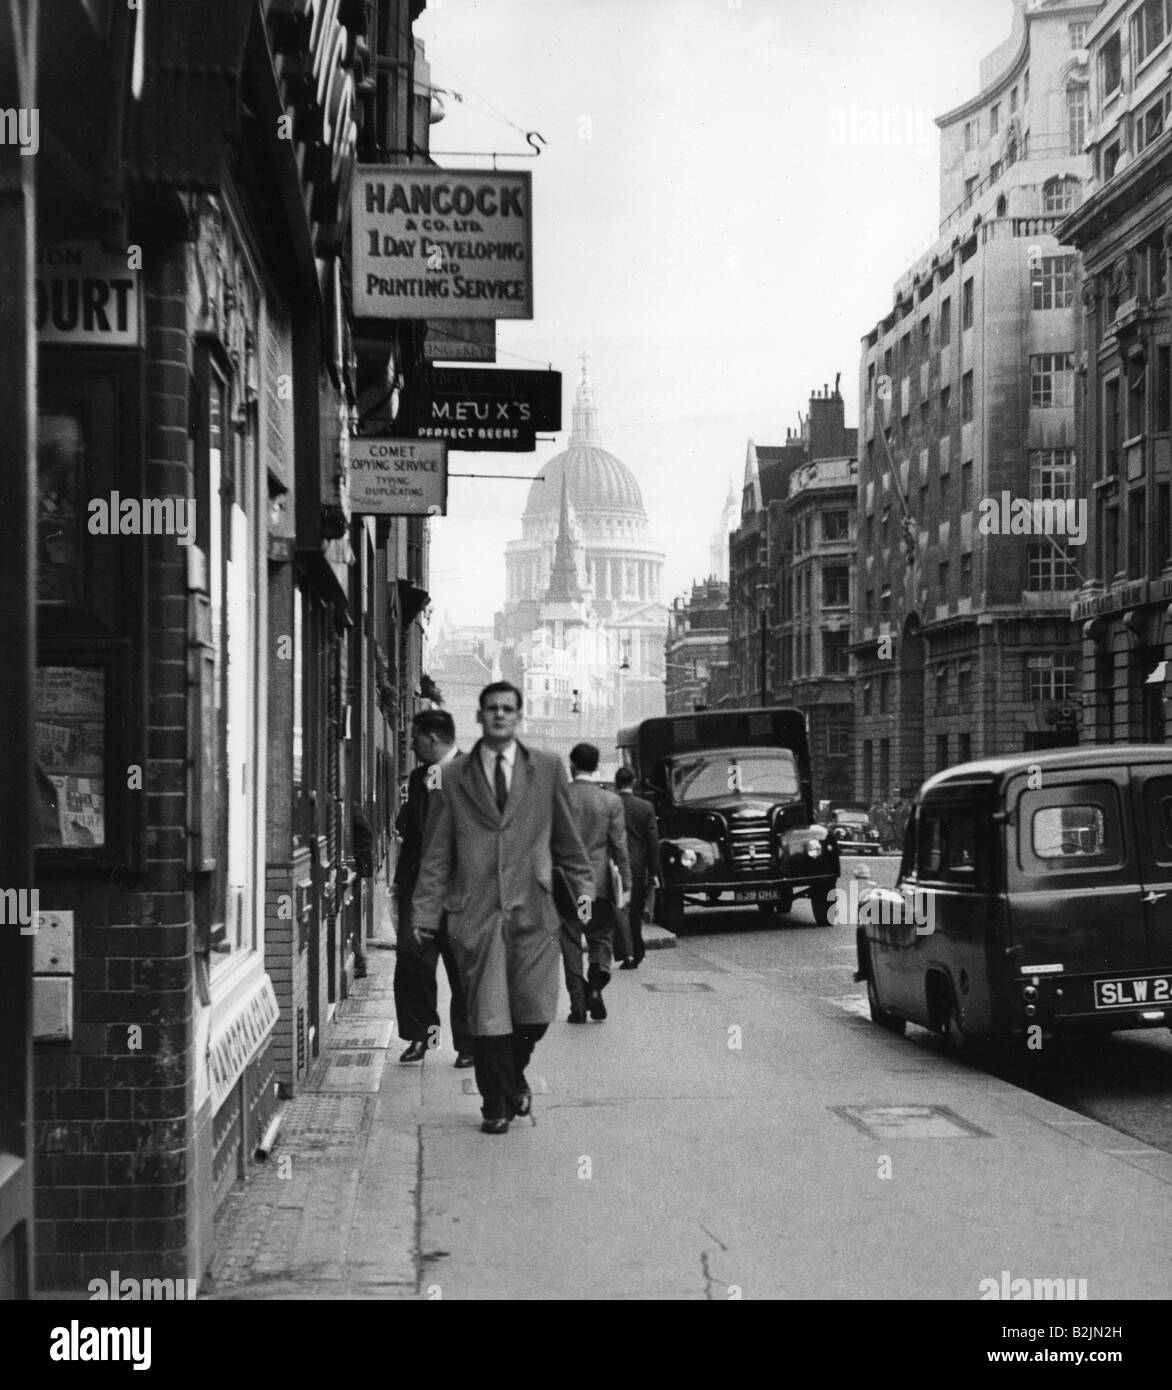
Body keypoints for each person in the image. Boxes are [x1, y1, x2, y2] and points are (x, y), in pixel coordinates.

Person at [411, 682, 593, 1134]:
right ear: (479, 716)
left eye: (507, 709)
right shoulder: (452, 778)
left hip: (534, 911)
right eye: (491, 708)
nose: (498, 715)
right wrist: (425, 915)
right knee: (489, 1014)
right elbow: (436, 855)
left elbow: (568, 841)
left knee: (534, 1012)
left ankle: (513, 1076)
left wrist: (585, 889)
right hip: (476, 913)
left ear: (518, 716)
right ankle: (496, 1105)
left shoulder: (548, 769)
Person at [392, 709, 475, 1069]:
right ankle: (423, 1037)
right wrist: (399, 884)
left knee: (462, 971)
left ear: (432, 738)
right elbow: (413, 836)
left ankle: (469, 1046)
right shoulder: (418, 777)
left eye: (414, 738)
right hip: (420, 892)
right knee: (412, 961)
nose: (411, 745)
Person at [556, 744, 630, 1023]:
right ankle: (597, 981)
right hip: (598, 885)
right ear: (596, 766)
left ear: (571, 765)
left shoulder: (559, 799)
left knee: (571, 944)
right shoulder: (611, 802)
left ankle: (578, 1007)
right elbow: (620, 847)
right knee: (600, 937)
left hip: (566, 886)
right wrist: (627, 883)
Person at [613, 766, 659, 970]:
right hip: (638, 865)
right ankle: (637, 952)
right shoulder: (645, 807)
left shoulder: (611, 804)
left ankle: (626, 953)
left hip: (614, 865)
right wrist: (655, 872)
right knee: (635, 912)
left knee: (619, 909)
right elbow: (652, 842)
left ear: (616, 783)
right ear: (633, 782)